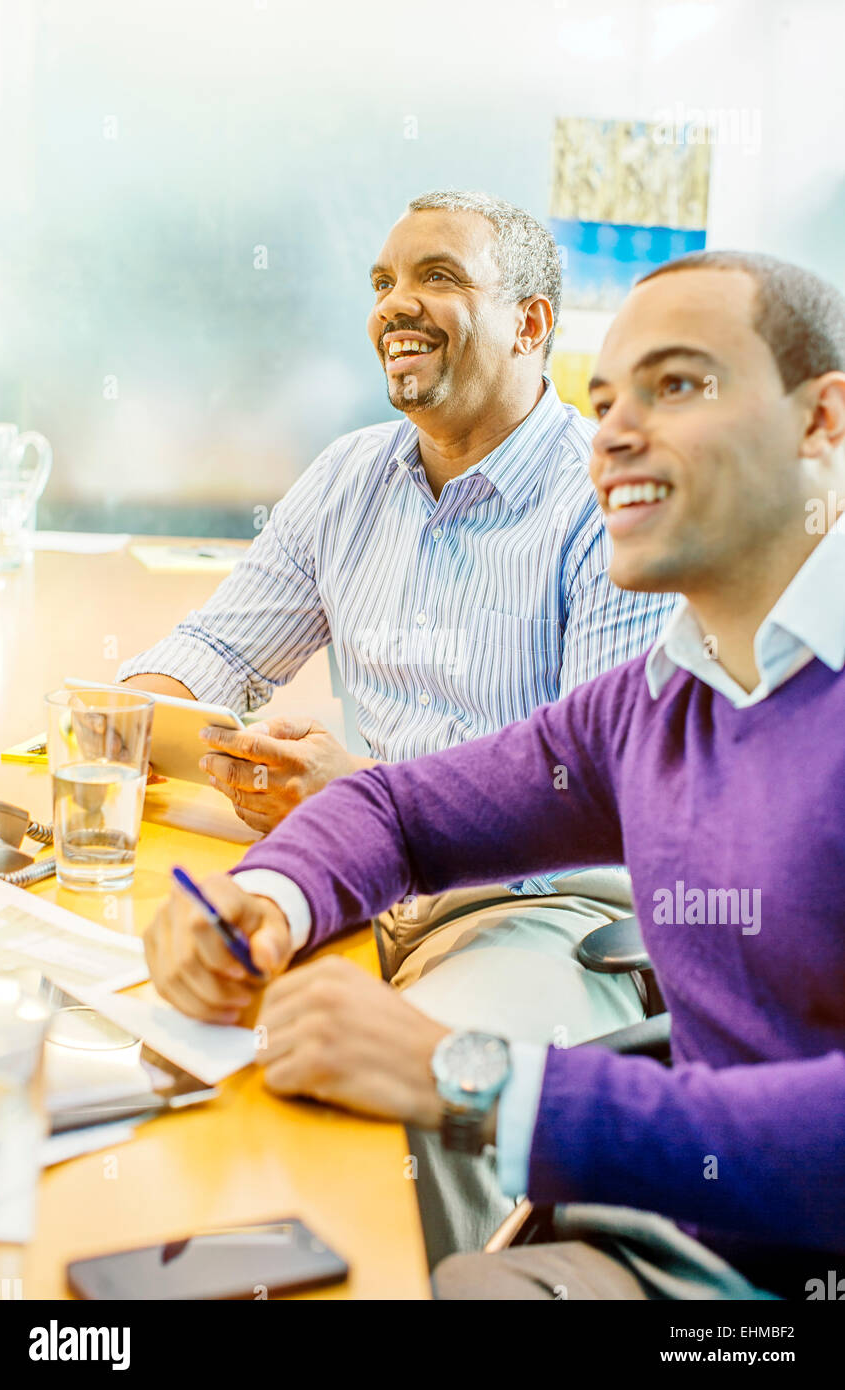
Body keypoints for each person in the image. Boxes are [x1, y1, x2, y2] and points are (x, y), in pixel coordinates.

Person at [145, 249, 845, 1299]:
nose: (610, 431)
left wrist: (476, 1077)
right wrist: (271, 900)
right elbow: (397, 808)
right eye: (602, 397)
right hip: (689, 1244)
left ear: (820, 422)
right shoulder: (659, 702)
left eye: (676, 384)